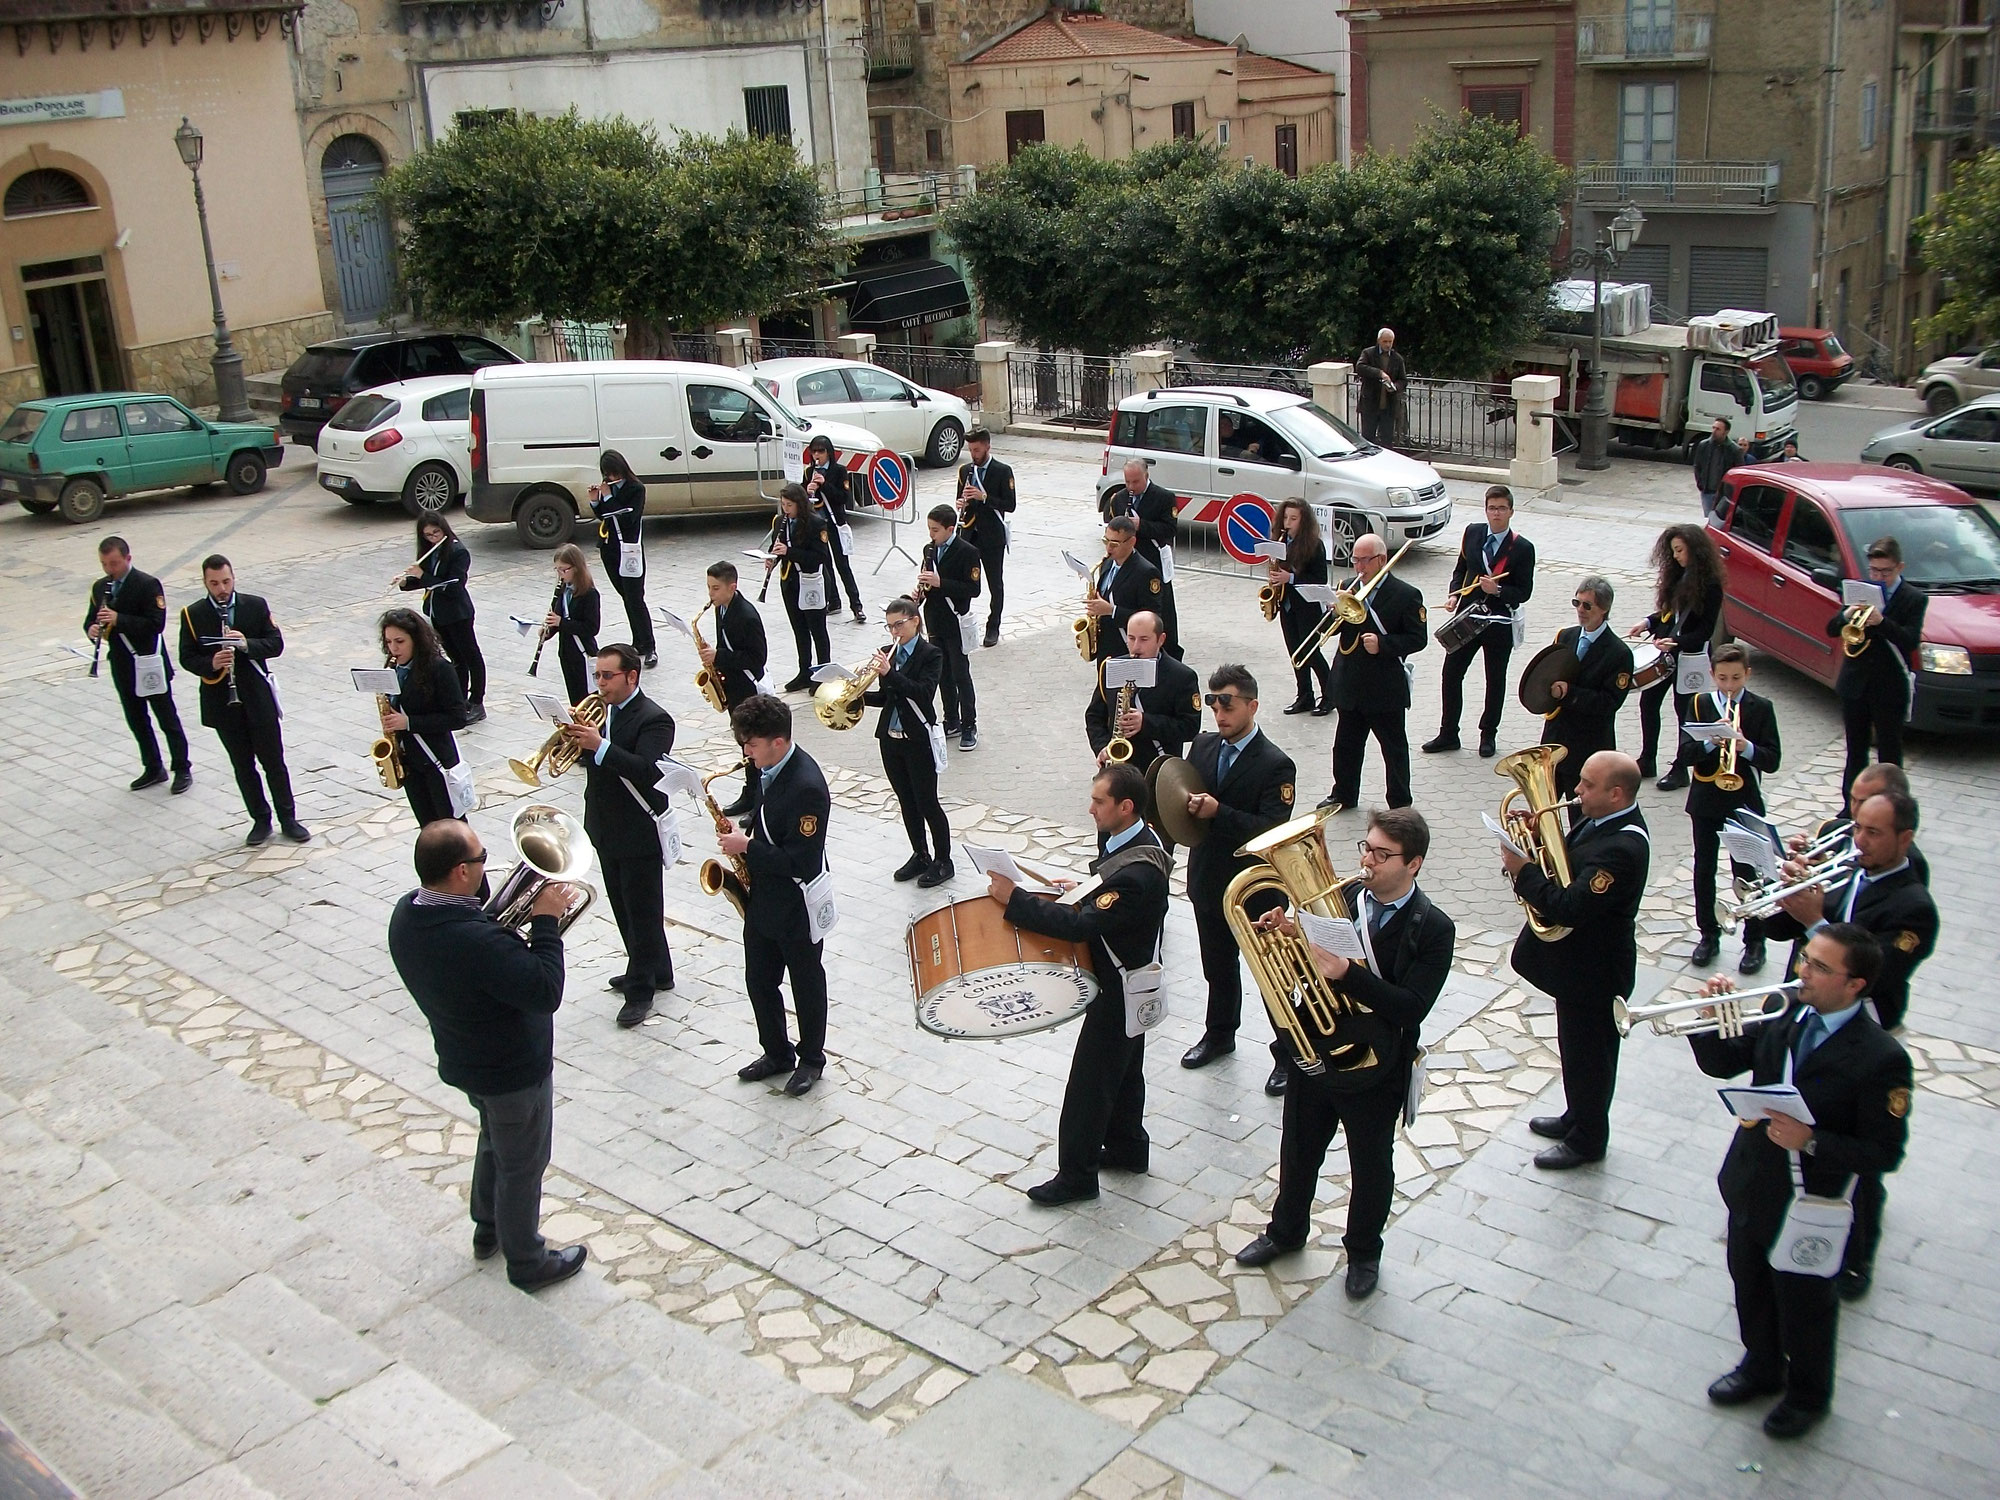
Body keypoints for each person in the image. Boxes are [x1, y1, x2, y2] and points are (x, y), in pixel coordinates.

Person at [1690, 925, 1912, 1439]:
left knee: (1805, 1303)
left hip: (1812, 1199)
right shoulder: (1786, 1009)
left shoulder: (1881, 1058)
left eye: (1818, 966)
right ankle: (1760, 1365)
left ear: (1854, 985)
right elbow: (1727, 1062)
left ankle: (1809, 1394)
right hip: (1753, 1180)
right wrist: (1713, 1023)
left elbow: (1884, 1152)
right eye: (1805, 958)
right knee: (1749, 1280)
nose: (1801, 971)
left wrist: (1812, 1140)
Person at [1235, 808, 1456, 1299]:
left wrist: (1349, 975)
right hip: (1318, 1048)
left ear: (1413, 864)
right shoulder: (1344, 896)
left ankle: (1363, 1253)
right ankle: (1285, 1233)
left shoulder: (1434, 928)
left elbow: (1411, 1007)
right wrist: (1288, 931)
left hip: (1378, 1065)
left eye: (1382, 854)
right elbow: (1311, 953)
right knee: (1297, 1150)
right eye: (1366, 848)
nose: (1368, 861)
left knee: (1371, 1164)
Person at [387, 820, 586, 1293]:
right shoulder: (476, 941)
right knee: (524, 1163)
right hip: (512, 1069)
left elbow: (482, 954)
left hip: (465, 1059)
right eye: (480, 859)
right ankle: (527, 1260)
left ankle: (487, 1227)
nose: (487, 863)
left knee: (495, 1140)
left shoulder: (407, 913)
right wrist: (545, 922)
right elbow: (543, 990)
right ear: (460, 872)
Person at [1762, 789, 1936, 1300]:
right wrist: (1781, 890)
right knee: (1805, 1119)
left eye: (1873, 832)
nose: (1858, 840)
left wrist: (1817, 921)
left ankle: (1856, 1253)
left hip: (1865, 1026)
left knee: (1855, 1153)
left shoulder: (1914, 906)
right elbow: (1784, 928)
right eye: (1857, 825)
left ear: (1905, 839)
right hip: (1813, 1012)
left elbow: (1879, 973)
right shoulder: (1848, 866)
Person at [989, 763, 1171, 1206]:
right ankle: (1129, 1148)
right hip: (1134, 979)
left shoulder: (1138, 874)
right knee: (1125, 1072)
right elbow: (1108, 895)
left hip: (1116, 988)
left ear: (1125, 807)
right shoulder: (1132, 842)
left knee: (1090, 1085)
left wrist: (1016, 900)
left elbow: (1083, 927)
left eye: (1099, 801)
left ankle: (1077, 1176)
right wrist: (1086, 887)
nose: (1090, 809)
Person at [1501, 751, 1649, 1168]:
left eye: (1587, 784)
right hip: (1578, 966)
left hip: (1597, 970)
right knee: (1575, 1049)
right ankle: (1576, 1115)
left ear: (1616, 794)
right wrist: (1539, 835)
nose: (1577, 790)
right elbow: (1569, 860)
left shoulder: (1623, 847)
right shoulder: (1600, 820)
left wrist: (1523, 870)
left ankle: (1588, 1140)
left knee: (1592, 1057)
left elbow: (1568, 905)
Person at [1179, 665, 1299, 1094]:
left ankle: (1288, 1052)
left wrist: (1218, 813)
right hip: (1209, 881)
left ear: (1252, 705)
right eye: (1212, 702)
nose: (1218, 711)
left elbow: (1270, 830)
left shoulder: (1276, 764)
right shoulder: (1203, 747)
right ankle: (1219, 1033)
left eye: (1226, 702)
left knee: (1272, 973)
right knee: (1218, 967)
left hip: (1254, 890)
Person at [716, 694, 832, 1096]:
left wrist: (746, 847)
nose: (746, 752)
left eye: (751, 744)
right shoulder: (768, 769)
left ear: (778, 742)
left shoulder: (806, 788)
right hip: (765, 898)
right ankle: (777, 1052)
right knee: (759, 980)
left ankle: (811, 1059)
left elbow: (801, 860)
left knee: (805, 982)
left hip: (797, 902)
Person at [561, 645, 676, 1028]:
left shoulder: (655, 719)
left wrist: (600, 745)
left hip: (638, 829)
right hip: (605, 823)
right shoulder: (602, 712)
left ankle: (640, 992)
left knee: (642, 912)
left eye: (607, 676)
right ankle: (658, 970)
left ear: (632, 676)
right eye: (597, 676)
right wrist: (578, 743)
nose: (600, 683)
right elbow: (592, 762)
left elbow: (646, 770)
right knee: (622, 906)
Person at [177, 555, 308, 847]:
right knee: (242, 764)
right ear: (205, 583)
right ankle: (260, 820)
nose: (221, 589)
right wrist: (212, 662)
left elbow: (275, 644)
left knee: (274, 761)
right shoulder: (193, 614)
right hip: (222, 700)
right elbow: (186, 656)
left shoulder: (255, 605)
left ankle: (289, 819)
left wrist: (246, 644)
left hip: (257, 696)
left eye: (226, 581)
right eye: (214, 583)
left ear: (233, 577)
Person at [1685, 643, 1782, 974]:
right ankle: (1707, 934)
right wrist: (1712, 741)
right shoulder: (1699, 704)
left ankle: (1755, 941)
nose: (1729, 686)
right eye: (1723, 678)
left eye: (1736, 678)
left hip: (1743, 801)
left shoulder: (1761, 707)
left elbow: (1773, 759)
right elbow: (1684, 755)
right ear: (1712, 675)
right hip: (1706, 799)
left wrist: (1747, 747)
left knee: (1747, 872)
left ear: (1747, 675)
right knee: (1704, 869)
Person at [1425, 485, 1537, 759]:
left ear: (1511, 511)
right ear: (1485, 510)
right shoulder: (1472, 533)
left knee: (1494, 680)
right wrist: (1454, 594)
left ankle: (1488, 734)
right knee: (1451, 674)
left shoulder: (1522, 548)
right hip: (1468, 616)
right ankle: (1448, 732)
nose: (1496, 513)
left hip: (1498, 622)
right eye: (1492, 508)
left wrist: (1498, 591)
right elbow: (1461, 569)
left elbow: (1524, 592)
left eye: (1501, 508)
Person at [1324, 533, 1427, 813]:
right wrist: (1332, 611)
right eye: (1355, 560)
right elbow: (1326, 631)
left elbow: (1418, 639)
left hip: (1384, 687)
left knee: (1393, 749)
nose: (1359, 567)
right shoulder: (1347, 586)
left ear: (1381, 560)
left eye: (1364, 560)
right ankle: (1343, 793)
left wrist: (1383, 644)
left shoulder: (1406, 594)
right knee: (1345, 746)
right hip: (1350, 682)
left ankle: (1400, 802)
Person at [87, 535, 192, 794]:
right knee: (136, 719)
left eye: (114, 563)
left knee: (166, 717)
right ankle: (153, 766)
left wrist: (118, 618)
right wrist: (91, 630)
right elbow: (91, 619)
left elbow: (156, 624)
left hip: (148, 661)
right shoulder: (100, 587)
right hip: (123, 664)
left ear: (127, 558)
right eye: (104, 564)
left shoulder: (147, 584)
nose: (109, 570)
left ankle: (182, 767)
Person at [1631, 524, 1726, 789]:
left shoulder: (1711, 586)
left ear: (1695, 551)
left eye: (1680, 550)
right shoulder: (1676, 577)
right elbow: (1667, 615)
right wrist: (1648, 624)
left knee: (1684, 713)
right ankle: (1647, 758)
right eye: (1673, 551)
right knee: (1648, 703)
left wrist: (1677, 642)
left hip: (1691, 657)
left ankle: (1681, 767)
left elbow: (1705, 631)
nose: (1675, 556)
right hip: (1665, 655)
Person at [1831, 535, 1926, 798]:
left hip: (1889, 686)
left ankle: (1890, 805)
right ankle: (1851, 806)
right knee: (1855, 751)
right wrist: (1846, 615)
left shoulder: (1913, 598)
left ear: (1900, 568)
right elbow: (1831, 629)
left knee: (1889, 753)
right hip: (1855, 685)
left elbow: (1909, 641)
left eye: (1886, 571)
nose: (1879, 576)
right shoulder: (1861, 591)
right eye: (1874, 570)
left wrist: (1881, 622)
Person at [868, 596, 952, 889]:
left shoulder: (931, 654)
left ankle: (944, 860)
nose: (894, 632)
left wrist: (891, 673)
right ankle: (920, 853)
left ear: (915, 621)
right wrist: (855, 695)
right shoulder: (887, 653)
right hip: (890, 740)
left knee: (927, 801)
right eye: (890, 626)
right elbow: (886, 697)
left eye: (899, 625)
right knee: (906, 801)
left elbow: (923, 692)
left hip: (918, 739)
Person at [1541, 576, 1635, 799]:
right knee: (1542, 813)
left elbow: (1610, 702)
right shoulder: (1566, 636)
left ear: (1604, 608)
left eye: (1587, 605)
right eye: (1577, 603)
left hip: (1587, 747)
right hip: (1555, 740)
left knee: (1581, 818)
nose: (1580, 610)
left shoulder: (1619, 653)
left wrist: (1569, 693)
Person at [377, 608, 469, 828]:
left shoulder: (440, 668)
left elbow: (457, 718)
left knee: (452, 828)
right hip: (410, 762)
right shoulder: (393, 669)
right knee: (427, 828)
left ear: (416, 639)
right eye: (388, 642)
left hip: (436, 761)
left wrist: (408, 723)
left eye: (400, 641)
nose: (393, 649)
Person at [1084, 611, 1200, 772]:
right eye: (1131, 638)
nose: (1136, 647)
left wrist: (1145, 722)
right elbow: (1094, 716)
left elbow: (1190, 727)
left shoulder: (1182, 676)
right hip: (1117, 769)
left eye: (1144, 639)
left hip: (1158, 769)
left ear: (1161, 639)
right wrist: (1102, 747)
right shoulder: (1112, 668)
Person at [699, 561, 769, 818]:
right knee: (744, 744)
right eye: (709, 587)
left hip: (749, 688)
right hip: (734, 686)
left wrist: (719, 656)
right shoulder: (722, 608)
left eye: (715, 588)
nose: (711, 594)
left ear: (733, 587)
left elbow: (757, 659)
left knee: (754, 745)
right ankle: (750, 791)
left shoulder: (747, 616)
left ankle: (759, 799)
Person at [399, 515, 486, 722]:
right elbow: (426, 578)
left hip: (458, 613)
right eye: (427, 535)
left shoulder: (458, 552)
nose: (432, 538)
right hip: (438, 613)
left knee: (470, 656)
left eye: (436, 533)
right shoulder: (431, 551)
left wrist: (421, 576)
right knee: (456, 659)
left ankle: (477, 702)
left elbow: (452, 586)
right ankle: (460, 698)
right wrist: (405, 582)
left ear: (444, 529)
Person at [1793, 762, 1929, 888]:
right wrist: (1803, 864)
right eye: (1853, 800)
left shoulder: (1911, 860)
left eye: (1864, 802)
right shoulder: (1833, 828)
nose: (1855, 810)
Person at [917, 503, 982, 750]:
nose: (931, 535)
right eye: (930, 529)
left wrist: (940, 582)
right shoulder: (929, 550)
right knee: (941, 673)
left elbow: (973, 589)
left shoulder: (968, 551)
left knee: (960, 675)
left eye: (935, 530)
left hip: (956, 622)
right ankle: (951, 719)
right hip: (935, 619)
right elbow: (928, 580)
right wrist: (922, 590)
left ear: (950, 529)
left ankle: (969, 724)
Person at [1101, 459, 1181, 657]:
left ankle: (1165, 651)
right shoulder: (1118, 498)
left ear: (1146, 476)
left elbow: (1170, 529)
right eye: (1127, 482)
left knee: (1159, 611)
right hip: (1125, 560)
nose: (1131, 487)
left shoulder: (1163, 497)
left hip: (1152, 561)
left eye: (1135, 482)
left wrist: (1141, 525)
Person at [1266, 499, 1337, 716]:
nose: (1288, 523)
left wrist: (1291, 577)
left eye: (1293, 519)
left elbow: (1319, 578)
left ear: (1303, 521)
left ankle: (1330, 696)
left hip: (1308, 607)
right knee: (1294, 653)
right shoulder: (1280, 542)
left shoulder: (1314, 545)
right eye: (1285, 518)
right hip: (1287, 606)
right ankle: (1304, 695)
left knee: (1311, 652)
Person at [590, 450, 655, 668]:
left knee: (636, 597)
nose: (610, 478)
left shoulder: (636, 489)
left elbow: (628, 518)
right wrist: (595, 502)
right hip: (610, 549)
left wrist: (608, 497)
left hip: (630, 549)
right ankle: (638, 642)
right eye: (607, 474)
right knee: (626, 596)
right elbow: (605, 515)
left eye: (613, 473)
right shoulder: (608, 486)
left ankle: (649, 645)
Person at [769, 482, 834, 692]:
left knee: (818, 630)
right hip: (790, 583)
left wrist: (789, 552)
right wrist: (772, 558)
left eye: (789, 505)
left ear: (800, 504)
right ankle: (804, 671)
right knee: (799, 630)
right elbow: (777, 548)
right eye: (783, 504)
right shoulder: (780, 522)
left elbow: (820, 557)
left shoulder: (816, 524)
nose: (786, 509)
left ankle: (823, 674)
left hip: (812, 581)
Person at [957, 429, 1015, 648]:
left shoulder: (1002, 471)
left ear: (987, 447)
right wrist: (961, 504)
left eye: (977, 449)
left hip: (992, 535)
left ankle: (993, 627)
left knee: (994, 583)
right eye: (971, 450)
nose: (973, 454)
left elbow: (1010, 504)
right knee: (965, 581)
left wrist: (984, 497)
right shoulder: (965, 471)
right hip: (969, 533)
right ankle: (962, 622)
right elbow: (960, 497)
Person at [1085, 516, 1165, 666]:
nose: (1108, 548)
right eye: (1106, 541)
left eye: (1114, 543)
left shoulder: (1146, 572)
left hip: (1126, 648)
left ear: (1131, 542)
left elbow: (1152, 617)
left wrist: (1112, 611)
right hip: (1106, 645)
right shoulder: (1107, 563)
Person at [804, 435, 867, 625]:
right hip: (818, 524)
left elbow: (844, 497)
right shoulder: (809, 472)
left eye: (821, 451)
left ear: (828, 452)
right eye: (814, 451)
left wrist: (825, 484)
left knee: (842, 565)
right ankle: (833, 601)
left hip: (834, 522)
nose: (817, 455)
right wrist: (808, 489)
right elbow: (803, 496)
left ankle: (856, 605)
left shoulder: (839, 471)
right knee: (825, 564)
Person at [543, 544, 601, 710]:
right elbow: (557, 619)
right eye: (557, 570)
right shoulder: (562, 590)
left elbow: (592, 628)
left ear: (576, 568)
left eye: (563, 570)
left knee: (587, 700)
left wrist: (561, 622)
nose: (560, 574)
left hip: (582, 653)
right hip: (567, 653)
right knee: (574, 699)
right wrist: (548, 631)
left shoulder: (589, 594)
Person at [1355, 328, 1406, 449]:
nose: (1388, 345)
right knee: (1367, 439)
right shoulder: (1368, 353)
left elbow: (1403, 381)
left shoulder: (1397, 359)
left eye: (1390, 342)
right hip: (1370, 406)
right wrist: (1379, 373)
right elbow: (1360, 367)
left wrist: (1394, 387)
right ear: (1379, 341)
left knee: (1387, 442)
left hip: (1388, 408)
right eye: (1385, 341)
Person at [1691, 417, 1744, 518]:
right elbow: (1697, 466)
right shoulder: (1704, 445)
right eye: (1713, 428)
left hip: (1724, 495)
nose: (1714, 431)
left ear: (1726, 432)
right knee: (1708, 518)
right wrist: (1700, 483)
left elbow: (1738, 473)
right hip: (1707, 491)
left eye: (1718, 429)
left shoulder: (1734, 450)